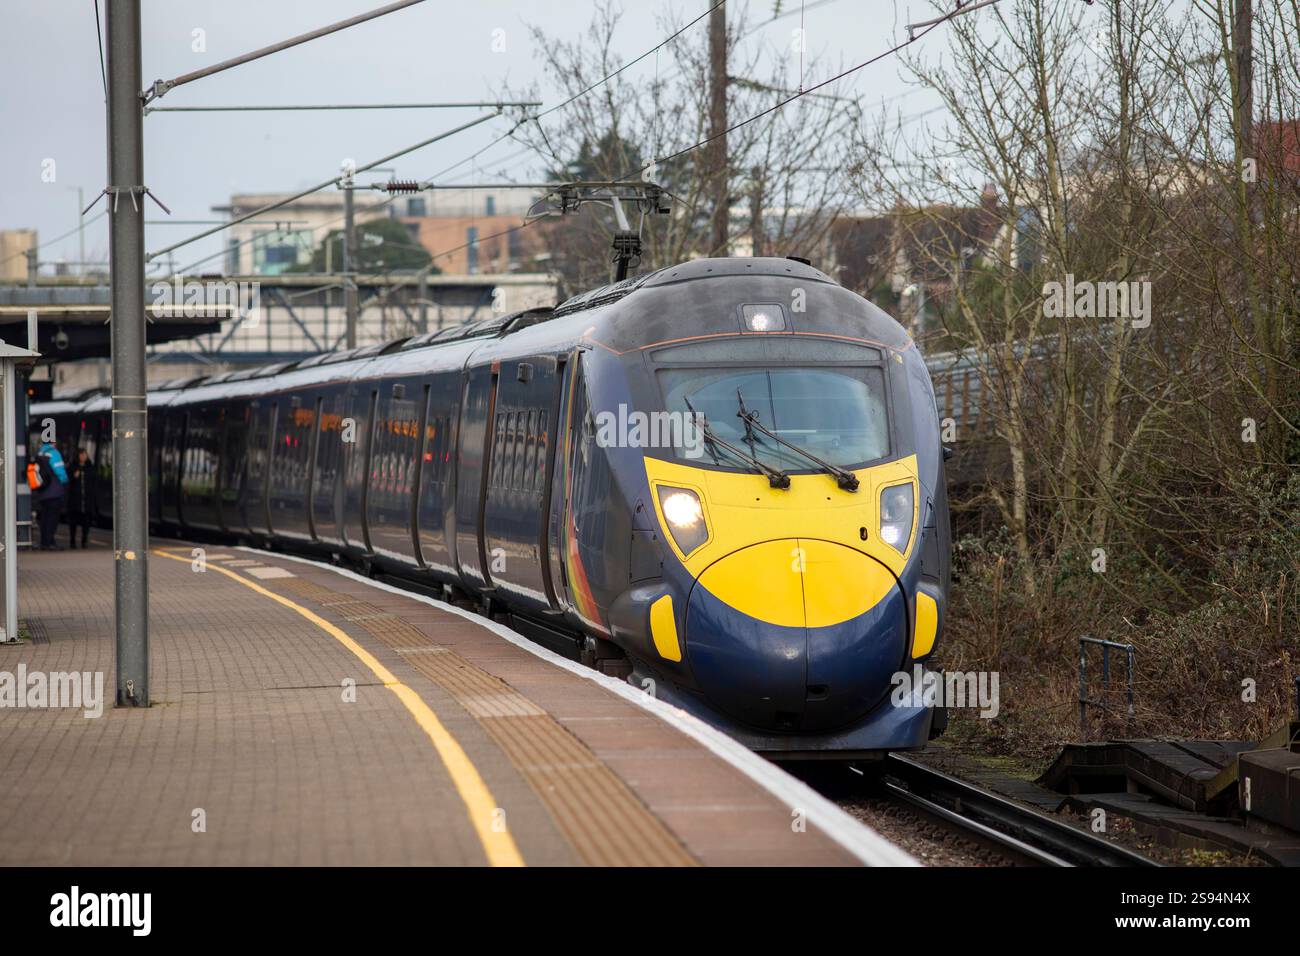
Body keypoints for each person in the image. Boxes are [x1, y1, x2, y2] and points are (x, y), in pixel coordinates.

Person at [33, 441, 67, 550]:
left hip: (43, 492)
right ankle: (49, 543)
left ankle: (45, 542)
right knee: (52, 519)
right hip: (54, 492)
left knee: (44, 518)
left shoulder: (39, 453)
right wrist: (65, 481)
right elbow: (60, 472)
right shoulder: (54, 453)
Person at [66, 448, 94, 549]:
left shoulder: (90, 467)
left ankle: (84, 540)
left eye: (85, 455)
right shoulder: (72, 467)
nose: (83, 457)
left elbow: (93, 482)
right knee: (73, 522)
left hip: (86, 500)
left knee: (86, 522)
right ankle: (72, 540)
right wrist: (74, 477)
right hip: (75, 500)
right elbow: (67, 482)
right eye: (81, 455)